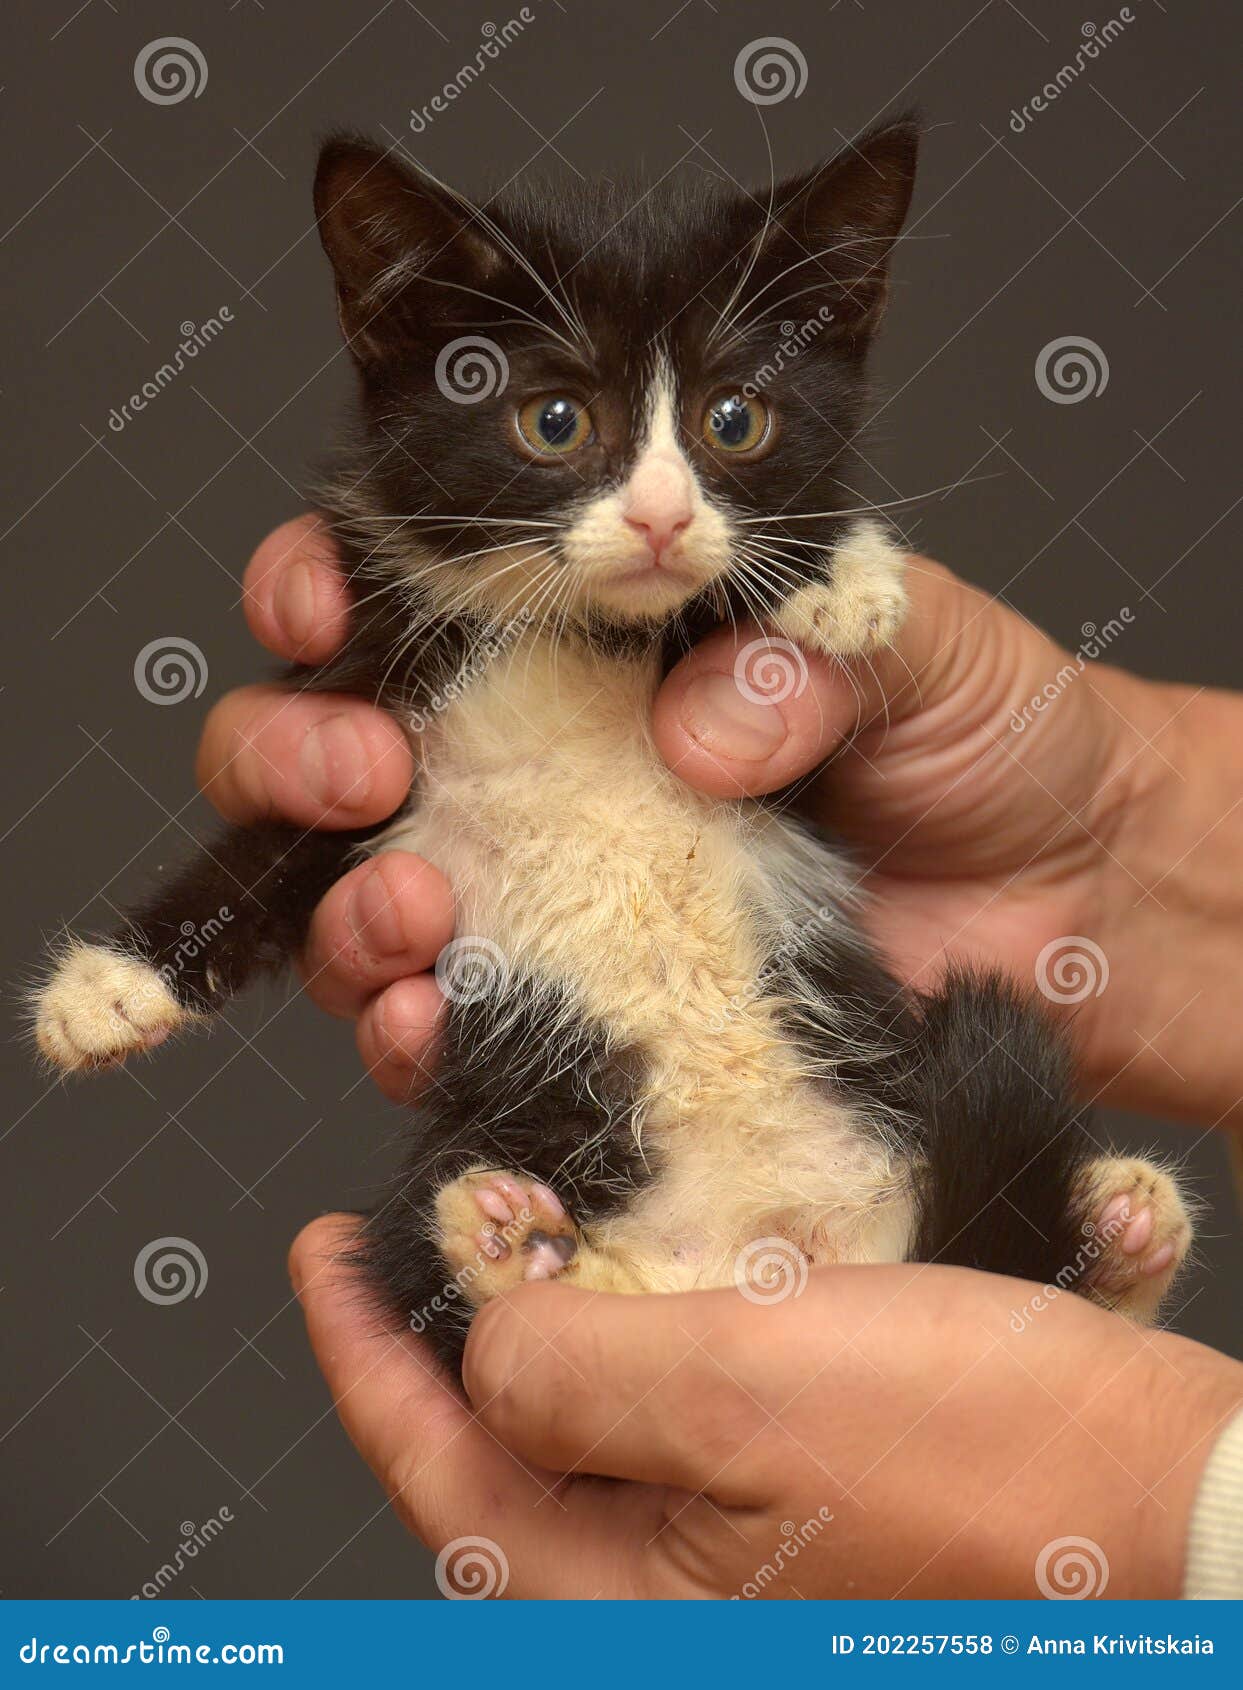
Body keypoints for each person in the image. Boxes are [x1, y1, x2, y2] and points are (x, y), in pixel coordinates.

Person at [200, 515, 1243, 1598]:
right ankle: (1023, 1282)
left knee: (946, 1111)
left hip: (787, 1222)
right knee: (944, 1119)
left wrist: (1155, 1497)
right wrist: (1108, 843)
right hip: (769, 1225)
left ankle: (617, 1285)